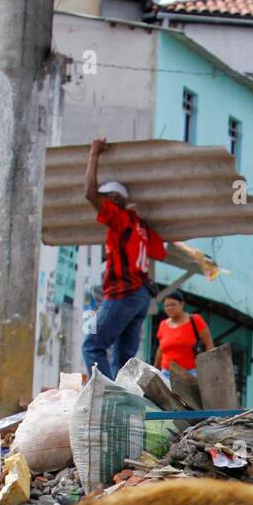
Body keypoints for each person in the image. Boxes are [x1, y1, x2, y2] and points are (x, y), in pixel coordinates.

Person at [82, 137, 167, 379]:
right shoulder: (141, 226)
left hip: (123, 292)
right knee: (123, 361)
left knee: (92, 346)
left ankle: (105, 396)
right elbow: (160, 251)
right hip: (140, 297)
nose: (101, 202)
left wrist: (94, 152)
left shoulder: (120, 219)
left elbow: (88, 193)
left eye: (106, 197)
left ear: (116, 200)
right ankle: (122, 404)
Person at [154, 290, 214, 382]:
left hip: (190, 373)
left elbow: (209, 346)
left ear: (182, 304)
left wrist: (208, 372)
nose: (170, 308)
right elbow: (160, 350)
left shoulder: (195, 320)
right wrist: (155, 371)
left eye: (173, 304)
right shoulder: (163, 325)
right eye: (166, 306)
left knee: (186, 397)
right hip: (166, 373)